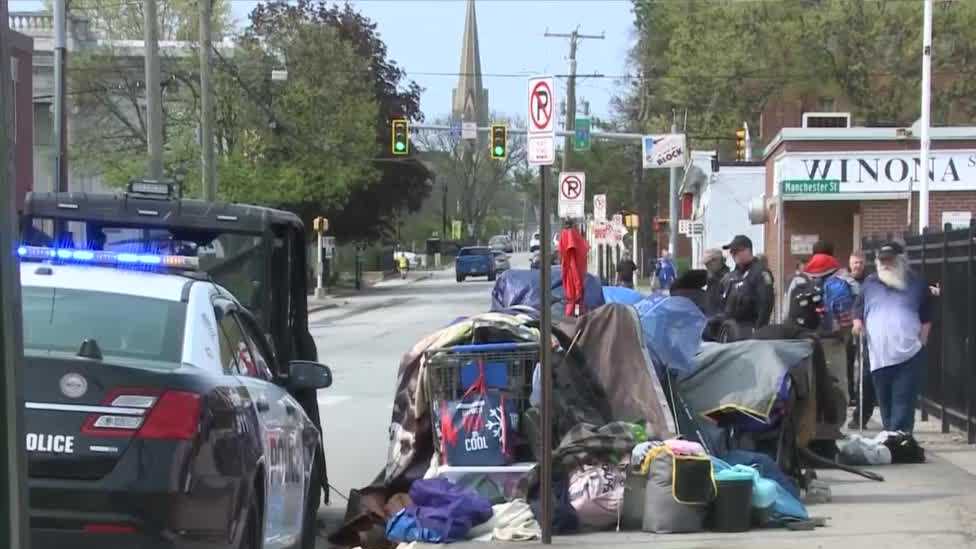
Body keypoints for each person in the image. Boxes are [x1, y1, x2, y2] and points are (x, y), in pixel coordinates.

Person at [853, 241, 932, 434]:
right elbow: (858, 309)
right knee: (886, 406)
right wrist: (857, 323)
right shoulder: (870, 284)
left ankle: (902, 440)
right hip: (878, 356)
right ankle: (892, 441)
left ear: (901, 260)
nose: (885, 264)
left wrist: (921, 342)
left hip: (908, 355)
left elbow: (927, 317)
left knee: (903, 403)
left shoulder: (917, 284)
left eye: (890, 260)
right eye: (882, 261)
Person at [847, 251, 876, 428]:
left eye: (860, 262)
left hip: (869, 333)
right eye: (855, 263)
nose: (857, 265)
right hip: (851, 330)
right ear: (850, 264)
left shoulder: (870, 282)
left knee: (865, 373)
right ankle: (854, 399)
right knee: (850, 366)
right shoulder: (845, 282)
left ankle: (861, 413)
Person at [721, 235, 775, 329]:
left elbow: (766, 304)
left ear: (747, 250)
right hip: (732, 331)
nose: (733, 254)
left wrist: (759, 330)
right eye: (731, 252)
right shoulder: (733, 276)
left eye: (736, 251)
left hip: (750, 330)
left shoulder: (760, 273)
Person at [703, 248, 730, 316]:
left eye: (708, 263)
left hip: (720, 321)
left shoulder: (725, 279)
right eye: (706, 264)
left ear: (717, 261)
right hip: (710, 318)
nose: (707, 266)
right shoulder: (712, 278)